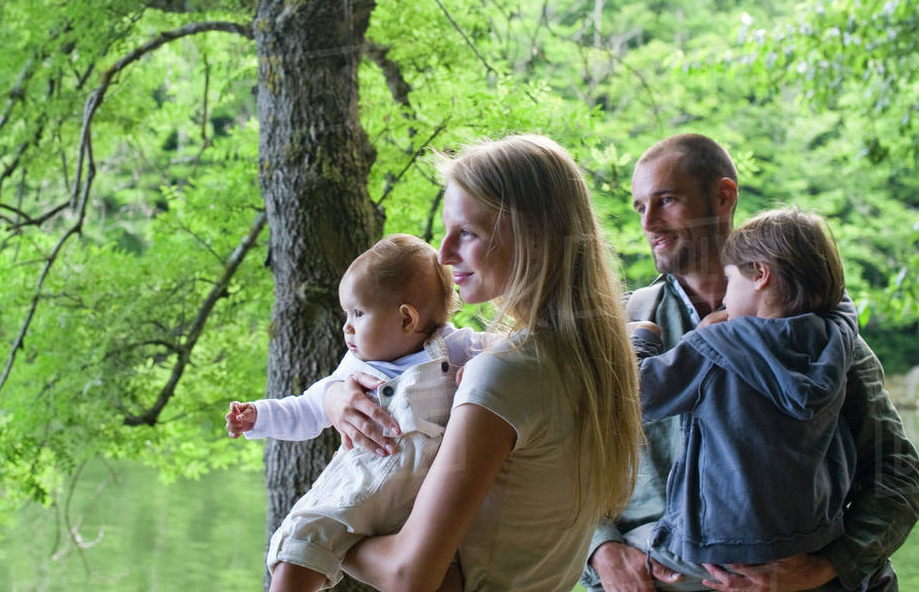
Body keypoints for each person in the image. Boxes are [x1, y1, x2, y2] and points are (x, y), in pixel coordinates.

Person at [584, 134, 919, 592]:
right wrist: (600, 550)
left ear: (724, 196)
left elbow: (895, 474)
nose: (649, 222)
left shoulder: (820, 330)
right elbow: (561, 459)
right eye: (640, 206)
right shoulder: (619, 327)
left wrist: (826, 567)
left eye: (666, 200)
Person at [324, 134, 643, 592]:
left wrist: (319, 530)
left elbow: (408, 574)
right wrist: (337, 392)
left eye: (468, 233)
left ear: (534, 238)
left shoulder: (507, 373)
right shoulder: (591, 365)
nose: (443, 253)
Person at [226, 233, 484, 592]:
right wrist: (259, 416)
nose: (346, 326)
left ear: (407, 319)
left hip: (429, 502)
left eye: (358, 313)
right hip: (359, 484)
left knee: (446, 576)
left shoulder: (455, 349)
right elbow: (307, 407)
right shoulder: (352, 372)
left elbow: (514, 354)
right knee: (299, 542)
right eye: (347, 313)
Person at [630, 207, 857, 580]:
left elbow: (640, 398)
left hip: (723, 543)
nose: (724, 298)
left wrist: (643, 339)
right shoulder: (837, 336)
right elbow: (843, 307)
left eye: (730, 279)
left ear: (761, 275)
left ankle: (665, 548)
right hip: (810, 535)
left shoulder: (717, 342)